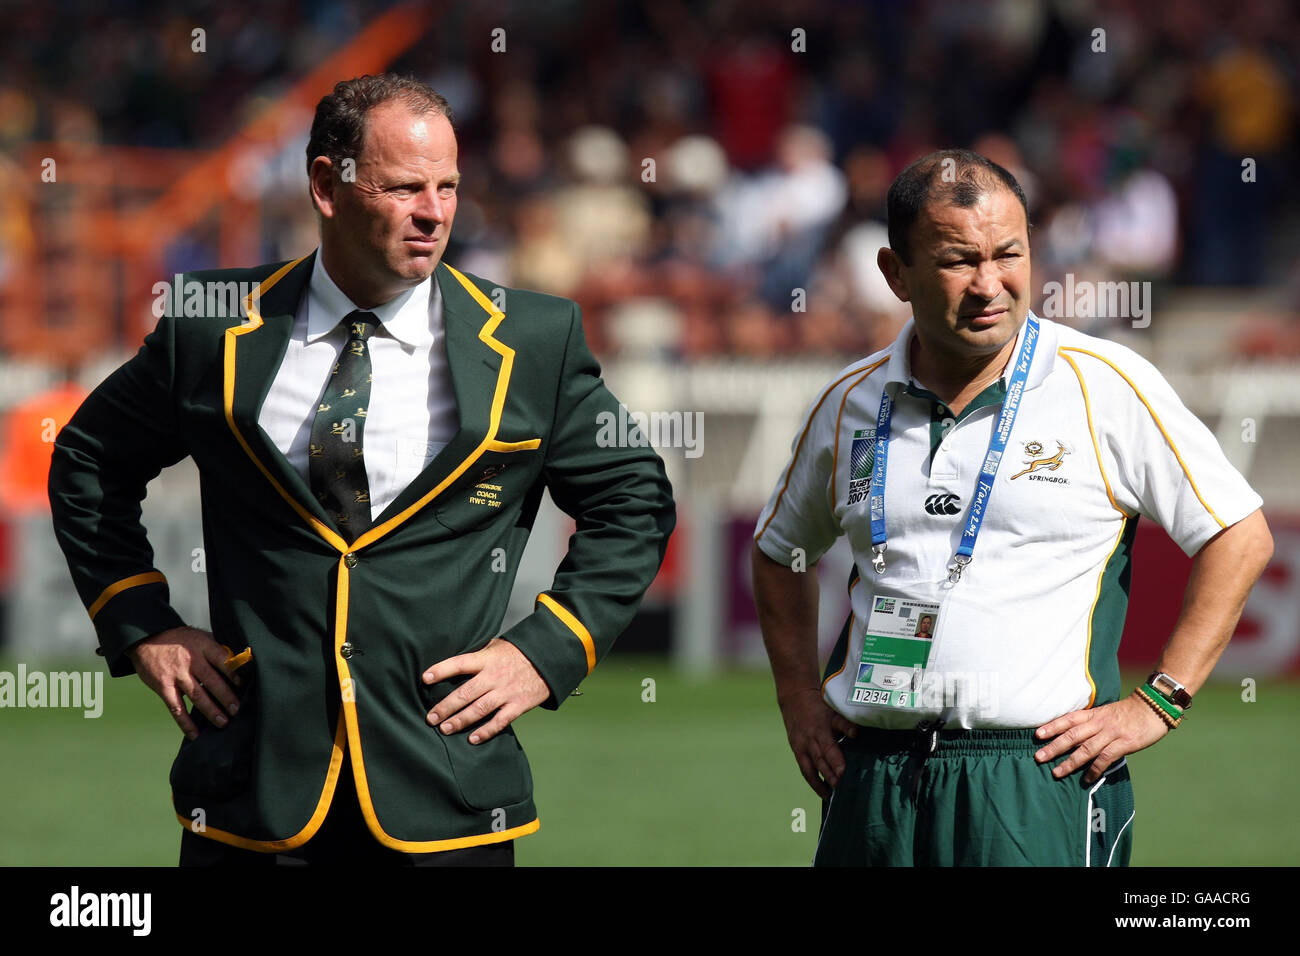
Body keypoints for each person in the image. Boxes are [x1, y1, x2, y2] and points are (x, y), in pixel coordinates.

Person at [48, 74, 676, 866]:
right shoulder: (209, 326)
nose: (435, 212)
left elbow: (636, 499)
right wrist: (144, 625)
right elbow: (88, 458)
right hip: (252, 800)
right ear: (326, 185)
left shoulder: (536, 340)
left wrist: (547, 651)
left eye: (448, 187)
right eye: (405, 186)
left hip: (449, 800)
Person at [751, 148, 1273, 866]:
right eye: (959, 260)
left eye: (1009, 254)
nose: (989, 284)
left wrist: (1162, 699)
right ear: (894, 274)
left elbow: (1239, 534)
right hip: (872, 776)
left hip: (1036, 777)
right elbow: (780, 552)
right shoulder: (848, 401)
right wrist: (799, 700)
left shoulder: (1106, 384)